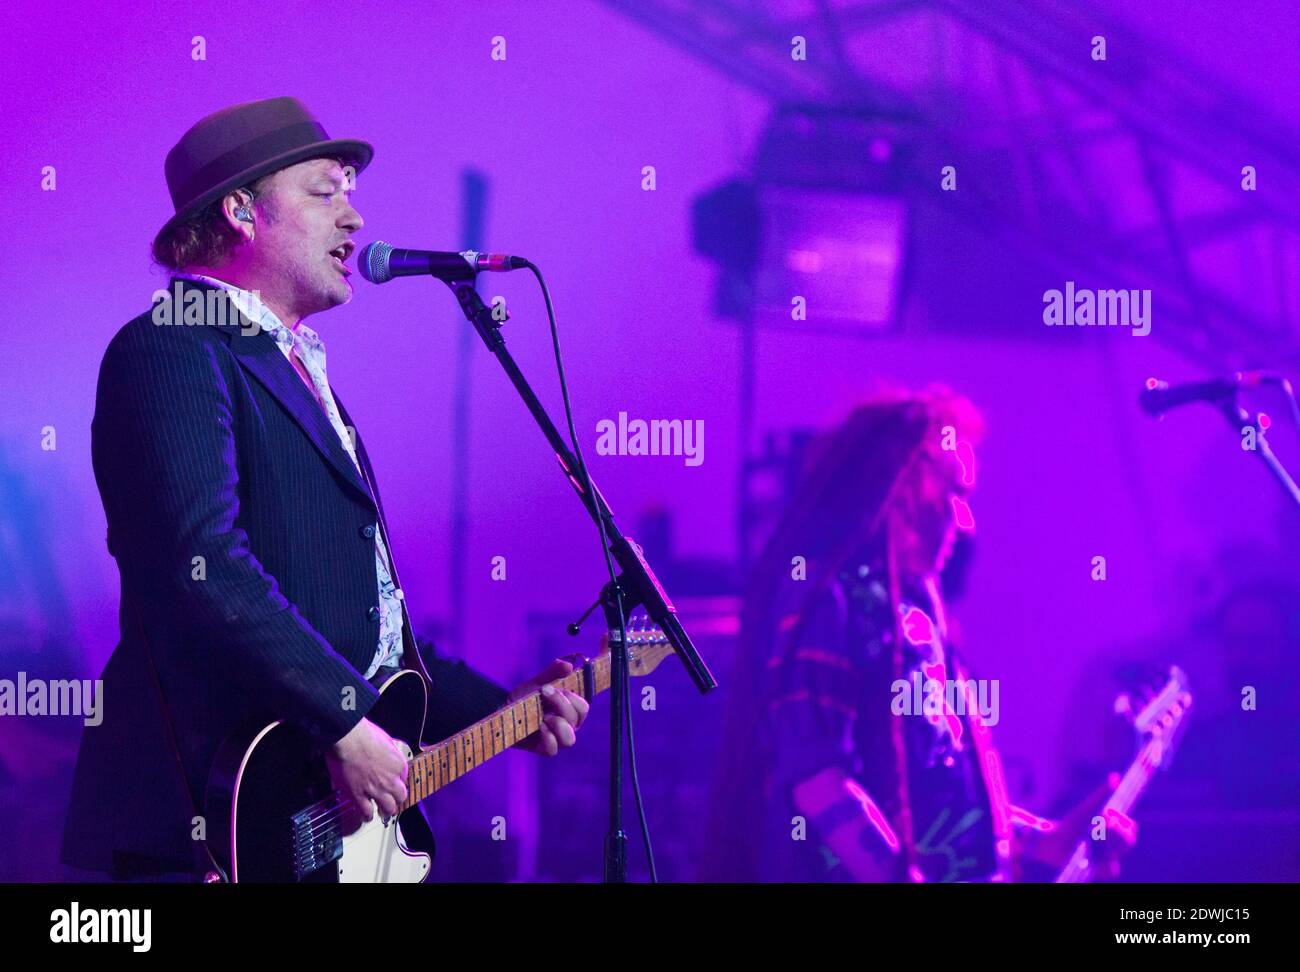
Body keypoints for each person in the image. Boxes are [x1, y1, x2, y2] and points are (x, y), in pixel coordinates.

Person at [61, 97, 587, 881]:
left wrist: (502, 712)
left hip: (303, 813)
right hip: (210, 823)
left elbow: (377, 639)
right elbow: (200, 562)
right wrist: (343, 720)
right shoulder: (170, 345)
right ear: (241, 209)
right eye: (325, 190)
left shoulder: (305, 379)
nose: (354, 215)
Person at [701, 387, 1130, 882]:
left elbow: (941, 806)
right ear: (905, 488)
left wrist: (1046, 840)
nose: (965, 522)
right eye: (956, 493)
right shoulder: (828, 599)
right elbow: (818, 781)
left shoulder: (922, 618)